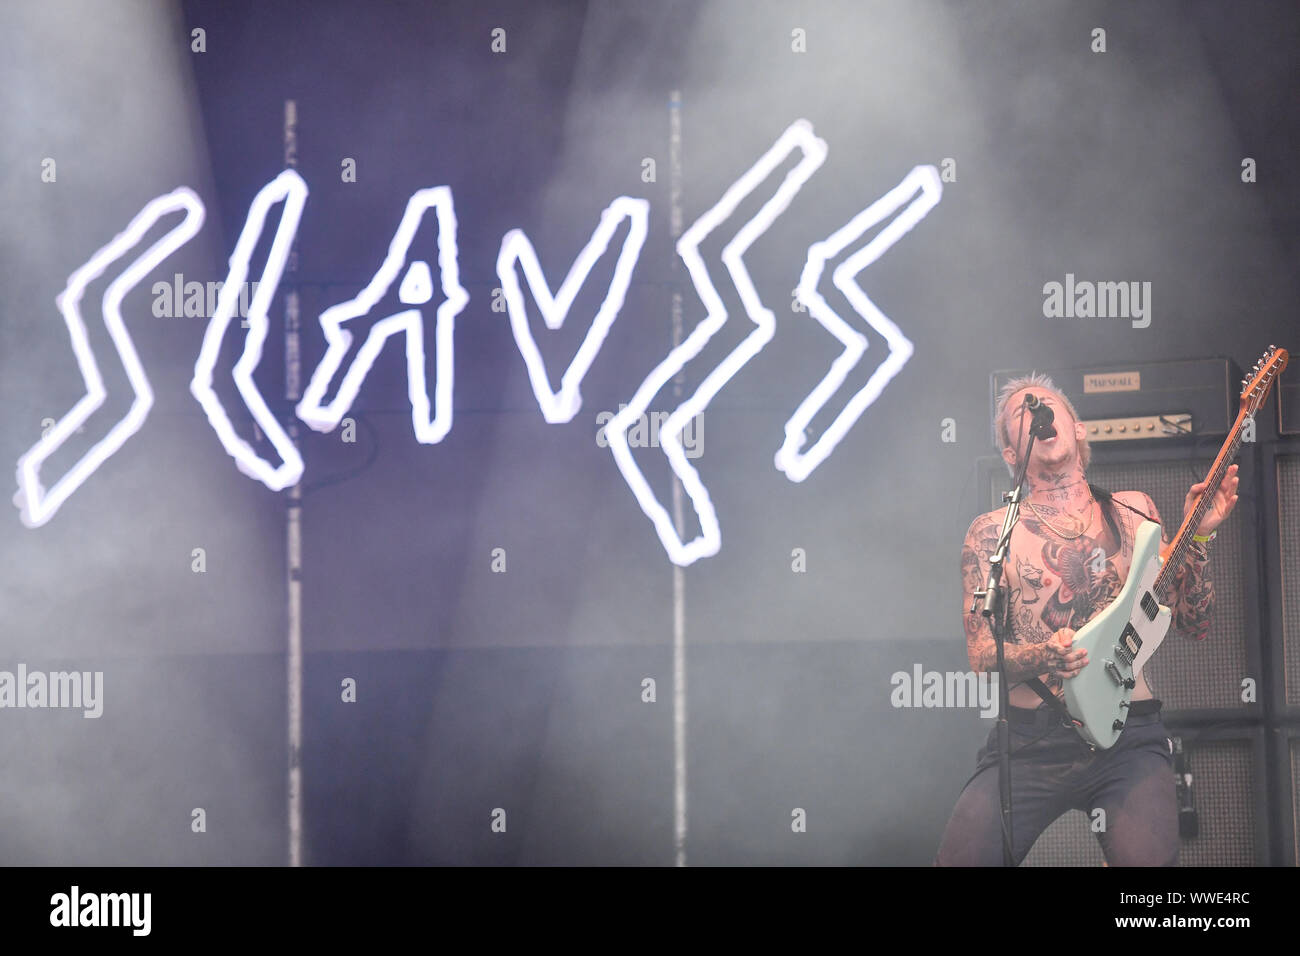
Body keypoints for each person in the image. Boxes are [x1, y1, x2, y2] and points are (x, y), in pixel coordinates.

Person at [934, 372, 1239, 866]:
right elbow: (980, 655)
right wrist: (1045, 653)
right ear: (1012, 453)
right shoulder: (990, 534)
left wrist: (1198, 540)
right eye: (1022, 413)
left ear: (1077, 428)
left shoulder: (1134, 512)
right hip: (1032, 740)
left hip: (1129, 737)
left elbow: (1194, 623)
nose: (1038, 412)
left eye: (1048, 405)